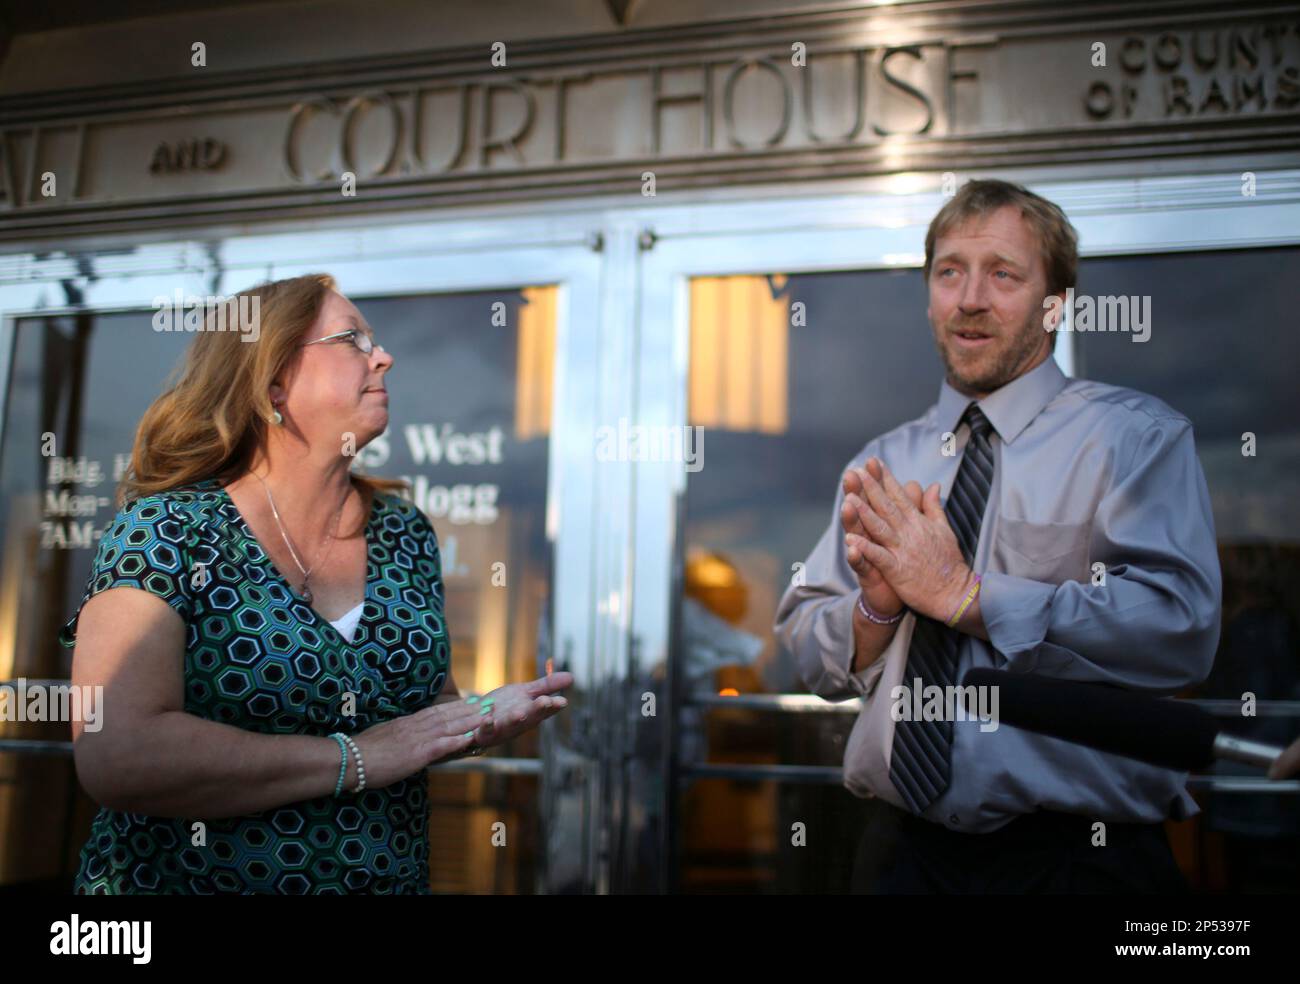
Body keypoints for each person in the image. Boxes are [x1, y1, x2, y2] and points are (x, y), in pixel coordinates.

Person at [774, 179, 1222, 893]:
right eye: (950, 271)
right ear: (929, 296)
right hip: (899, 859)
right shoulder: (880, 462)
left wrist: (967, 596)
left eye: (1003, 274)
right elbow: (805, 642)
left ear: (1057, 303)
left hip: (1079, 862)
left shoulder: (1134, 440)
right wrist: (878, 613)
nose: (970, 297)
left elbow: (1179, 628)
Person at [60, 273, 571, 894]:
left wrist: (480, 718)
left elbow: (423, 712)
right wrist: (355, 759)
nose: (384, 355)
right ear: (273, 381)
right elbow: (120, 753)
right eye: (351, 339)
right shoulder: (168, 529)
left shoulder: (403, 531)